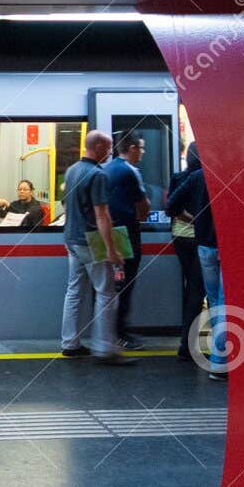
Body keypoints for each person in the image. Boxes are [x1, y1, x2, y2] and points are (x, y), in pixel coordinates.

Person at [59, 129, 131, 366]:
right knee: (106, 294)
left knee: (74, 292)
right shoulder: (97, 175)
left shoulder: (72, 171)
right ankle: (105, 349)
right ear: (98, 147)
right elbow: (102, 215)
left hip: (71, 239)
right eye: (109, 147)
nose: (111, 152)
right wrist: (111, 249)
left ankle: (70, 343)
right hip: (91, 241)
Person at [167, 142, 227, 380]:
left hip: (203, 246)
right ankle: (220, 361)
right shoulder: (226, 177)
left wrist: (195, 221)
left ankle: (213, 352)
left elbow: (171, 206)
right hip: (223, 246)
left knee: (213, 300)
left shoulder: (194, 178)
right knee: (223, 303)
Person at [103, 131, 151, 349]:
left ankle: (107, 333)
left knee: (110, 286)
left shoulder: (106, 169)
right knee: (126, 284)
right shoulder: (131, 172)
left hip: (107, 235)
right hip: (127, 235)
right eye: (141, 148)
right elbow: (143, 209)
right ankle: (121, 334)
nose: (143, 152)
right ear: (131, 149)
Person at [167, 145, 206, 361]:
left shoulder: (178, 177)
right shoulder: (205, 178)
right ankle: (188, 345)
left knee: (190, 288)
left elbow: (171, 207)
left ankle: (187, 341)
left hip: (179, 237)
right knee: (196, 291)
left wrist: (187, 218)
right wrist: (197, 220)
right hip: (200, 238)